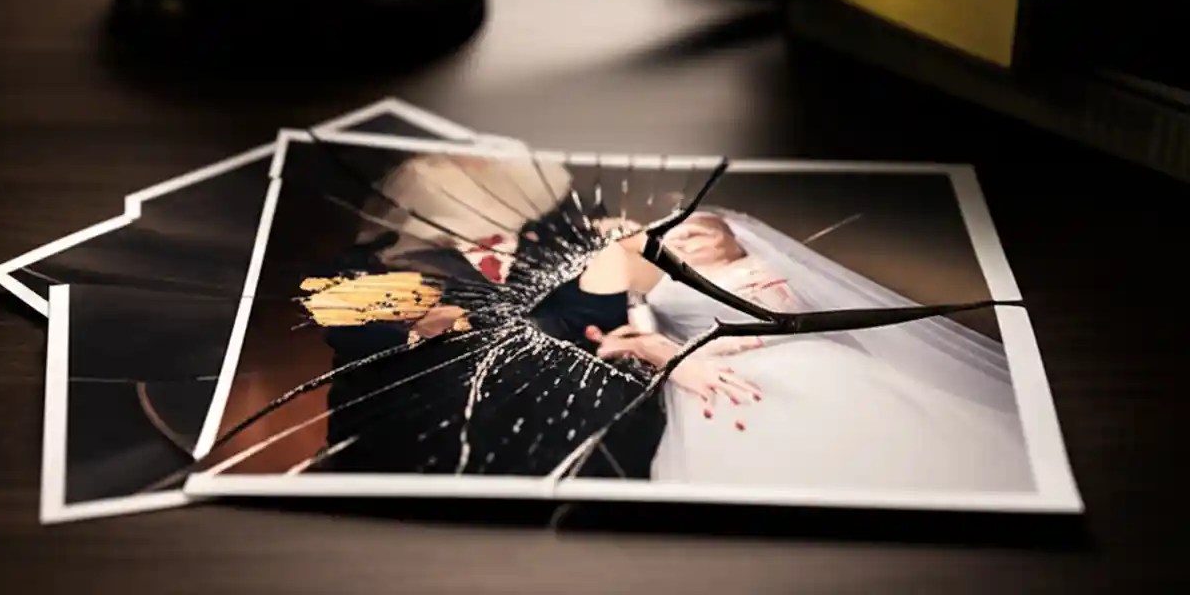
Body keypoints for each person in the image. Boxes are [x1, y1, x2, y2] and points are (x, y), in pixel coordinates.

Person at [589, 209, 1035, 492]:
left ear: (736, 238)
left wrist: (682, 353)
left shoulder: (756, 270)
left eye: (702, 231)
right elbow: (639, 328)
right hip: (702, 393)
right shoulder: (656, 290)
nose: (686, 239)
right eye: (678, 237)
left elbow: (771, 319)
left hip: (785, 367)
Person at [307, 149, 667, 478]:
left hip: (566, 466)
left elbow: (595, 322)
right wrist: (414, 329)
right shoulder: (380, 265)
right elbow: (342, 322)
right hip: (410, 466)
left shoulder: (561, 259)